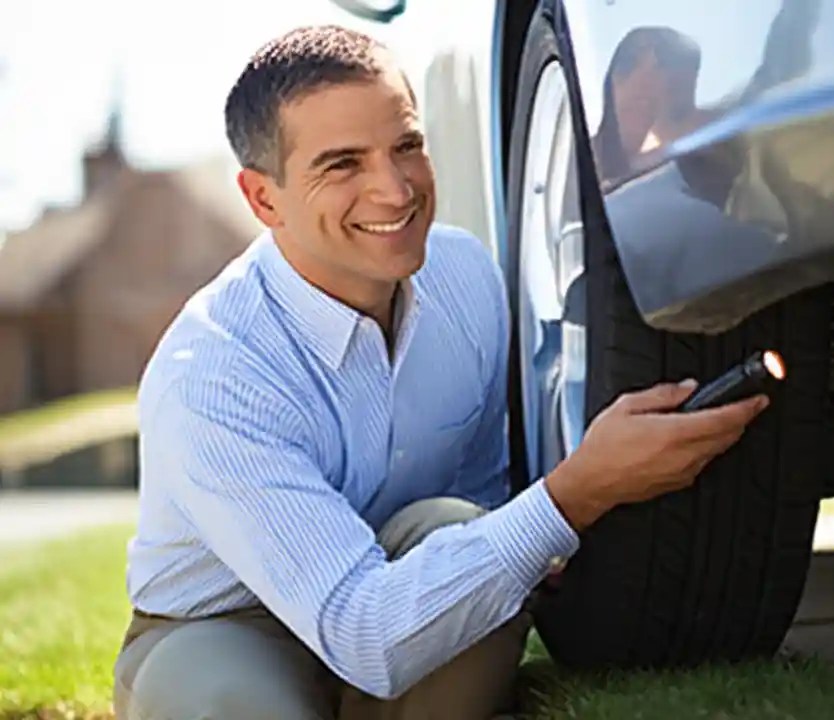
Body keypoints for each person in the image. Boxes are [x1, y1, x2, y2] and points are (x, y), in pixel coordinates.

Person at [111, 24, 768, 720]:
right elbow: (365, 632)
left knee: (461, 527)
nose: (395, 191)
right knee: (235, 706)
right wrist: (579, 490)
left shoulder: (466, 279)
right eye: (342, 165)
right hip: (227, 626)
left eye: (407, 147)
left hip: (396, 580)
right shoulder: (212, 374)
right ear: (263, 199)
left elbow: (480, 503)